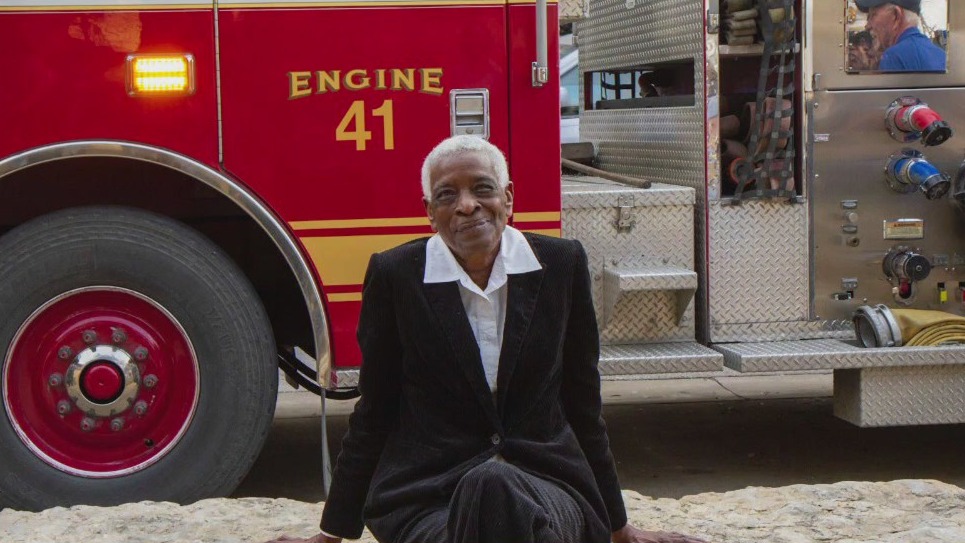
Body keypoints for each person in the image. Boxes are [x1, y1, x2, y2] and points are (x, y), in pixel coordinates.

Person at [265, 136, 707, 543]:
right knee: (495, 501)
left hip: (548, 484)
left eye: (482, 189)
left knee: (500, 493)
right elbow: (374, 411)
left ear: (508, 198)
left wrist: (619, 526)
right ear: (428, 211)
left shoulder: (561, 266)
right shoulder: (396, 276)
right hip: (428, 499)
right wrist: (331, 534)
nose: (467, 206)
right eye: (446, 195)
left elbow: (583, 405)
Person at [856, 0, 946, 72]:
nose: (867, 26)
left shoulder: (894, 57)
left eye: (873, 15)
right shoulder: (941, 54)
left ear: (896, 15)